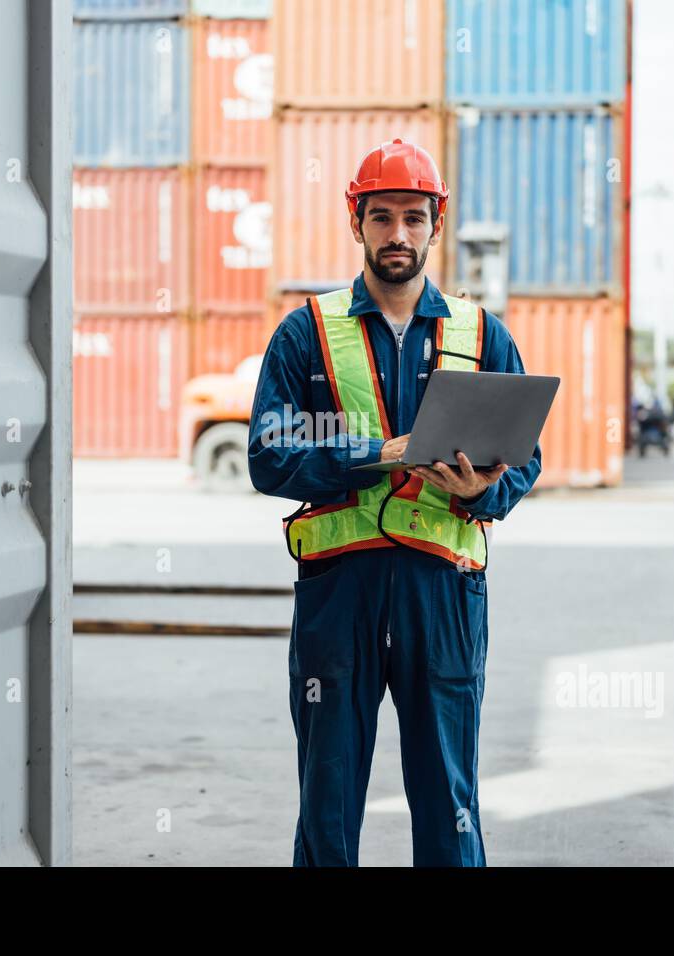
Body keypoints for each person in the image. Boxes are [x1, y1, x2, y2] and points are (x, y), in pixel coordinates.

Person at [247, 139, 543, 866]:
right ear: (357, 223)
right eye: (382, 217)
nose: (398, 234)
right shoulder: (306, 334)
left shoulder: (482, 334)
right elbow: (267, 455)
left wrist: (485, 491)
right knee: (329, 792)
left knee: (449, 797)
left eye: (414, 217)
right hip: (338, 594)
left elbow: (524, 457)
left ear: (435, 224)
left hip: (441, 591)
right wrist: (380, 451)